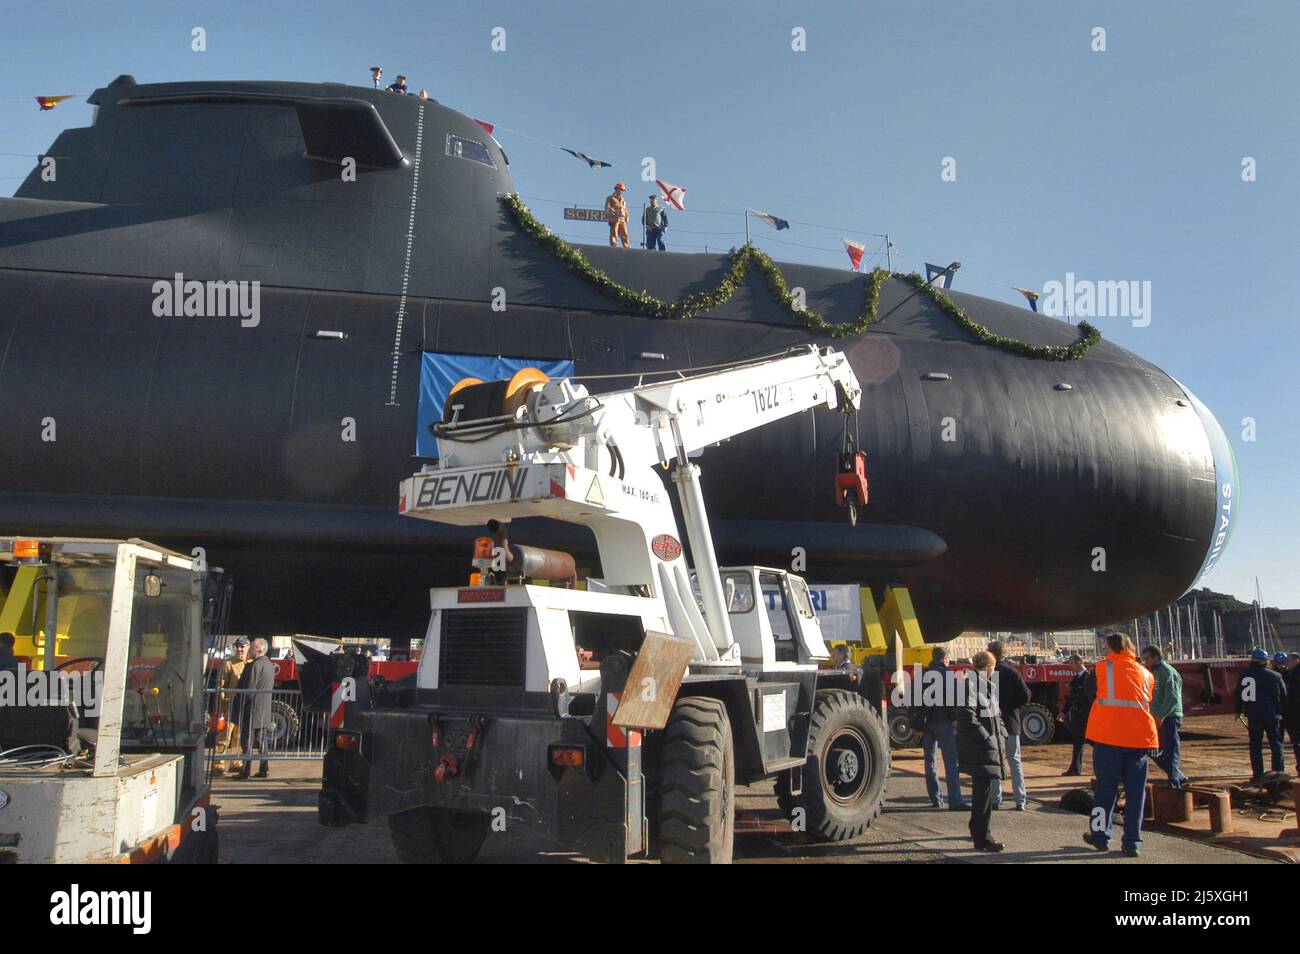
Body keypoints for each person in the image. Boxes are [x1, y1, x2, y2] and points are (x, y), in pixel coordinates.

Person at [1082, 632, 1159, 857]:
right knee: (1136, 793)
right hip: (1139, 740)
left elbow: (1089, 693)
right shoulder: (1145, 673)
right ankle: (1132, 841)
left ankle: (1099, 835)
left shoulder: (1100, 669)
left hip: (1109, 738)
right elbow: (1147, 700)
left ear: (1109, 647)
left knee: (1105, 791)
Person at [948, 650, 1006, 851]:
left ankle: (978, 829)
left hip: (985, 747)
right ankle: (983, 837)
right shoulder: (973, 686)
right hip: (982, 748)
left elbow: (993, 715)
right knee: (983, 793)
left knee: (983, 791)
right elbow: (967, 716)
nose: (994, 670)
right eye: (993, 666)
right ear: (988, 667)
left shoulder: (981, 685)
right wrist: (988, 738)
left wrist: (1001, 733)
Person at [919, 646, 967, 810]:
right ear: (945, 658)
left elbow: (914, 699)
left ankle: (935, 797)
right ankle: (955, 799)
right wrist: (954, 719)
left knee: (930, 762)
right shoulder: (948, 675)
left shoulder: (923, 675)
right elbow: (955, 700)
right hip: (944, 723)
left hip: (927, 723)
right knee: (951, 762)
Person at [988, 640, 1030, 810]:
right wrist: (1013, 706)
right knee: (1015, 762)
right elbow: (1026, 695)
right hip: (1010, 722)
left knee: (995, 762)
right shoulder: (1012, 673)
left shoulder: (985, 674)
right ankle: (1020, 799)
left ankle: (995, 799)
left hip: (992, 723)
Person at [1236, 647, 1287, 781]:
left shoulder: (1245, 675)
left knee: (1255, 746)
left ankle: (1257, 774)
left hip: (1254, 714)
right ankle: (1278, 772)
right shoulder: (1275, 676)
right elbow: (1283, 696)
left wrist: (1239, 710)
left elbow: (1240, 695)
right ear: (1266, 661)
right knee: (1276, 745)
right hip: (1272, 715)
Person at [1141, 645, 1188, 788]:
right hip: (1157, 716)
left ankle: (1174, 781)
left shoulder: (1167, 672)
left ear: (1156, 657)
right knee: (1153, 749)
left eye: (1147, 659)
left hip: (1170, 716)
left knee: (1170, 748)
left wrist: (1161, 715)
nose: (1145, 662)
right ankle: (1177, 775)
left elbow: (1172, 698)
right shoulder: (1154, 673)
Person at [238, 637, 276, 779]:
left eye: (252, 647)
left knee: (247, 740)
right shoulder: (269, 665)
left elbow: (250, 689)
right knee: (261, 741)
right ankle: (264, 769)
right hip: (264, 708)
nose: (249, 650)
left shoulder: (255, 665)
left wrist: (241, 703)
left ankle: (246, 770)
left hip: (252, 709)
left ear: (259, 650)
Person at [217, 638, 249, 772]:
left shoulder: (250, 663)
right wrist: (222, 706)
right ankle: (219, 762)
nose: (239, 649)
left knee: (238, 736)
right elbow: (221, 685)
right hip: (229, 705)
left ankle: (236, 762)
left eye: (242, 647)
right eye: (237, 647)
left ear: (248, 647)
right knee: (225, 735)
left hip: (242, 705)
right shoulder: (228, 663)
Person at [1061, 653, 1094, 776]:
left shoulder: (1089, 677)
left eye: (1072, 663)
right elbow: (1071, 697)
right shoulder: (1076, 678)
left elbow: (1090, 696)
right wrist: (1064, 712)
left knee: (1092, 741)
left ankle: (1099, 767)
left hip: (1086, 714)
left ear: (1079, 662)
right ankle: (1075, 768)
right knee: (1078, 741)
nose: (1071, 666)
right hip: (1077, 714)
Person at [1283, 653, 1300, 772]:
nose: (1286, 663)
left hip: (1294, 715)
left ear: (1296, 661)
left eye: (1288, 661)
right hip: (1293, 714)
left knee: (1297, 742)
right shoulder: (1289, 675)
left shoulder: (1291, 676)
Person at [605, 183, 630, 248]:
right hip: (614, 218)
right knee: (614, 233)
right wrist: (612, 214)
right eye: (620, 190)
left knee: (624, 234)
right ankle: (613, 246)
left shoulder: (623, 200)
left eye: (622, 190)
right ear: (616, 189)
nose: (621, 192)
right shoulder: (610, 198)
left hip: (622, 219)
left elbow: (625, 208)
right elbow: (607, 208)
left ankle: (627, 247)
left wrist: (627, 216)